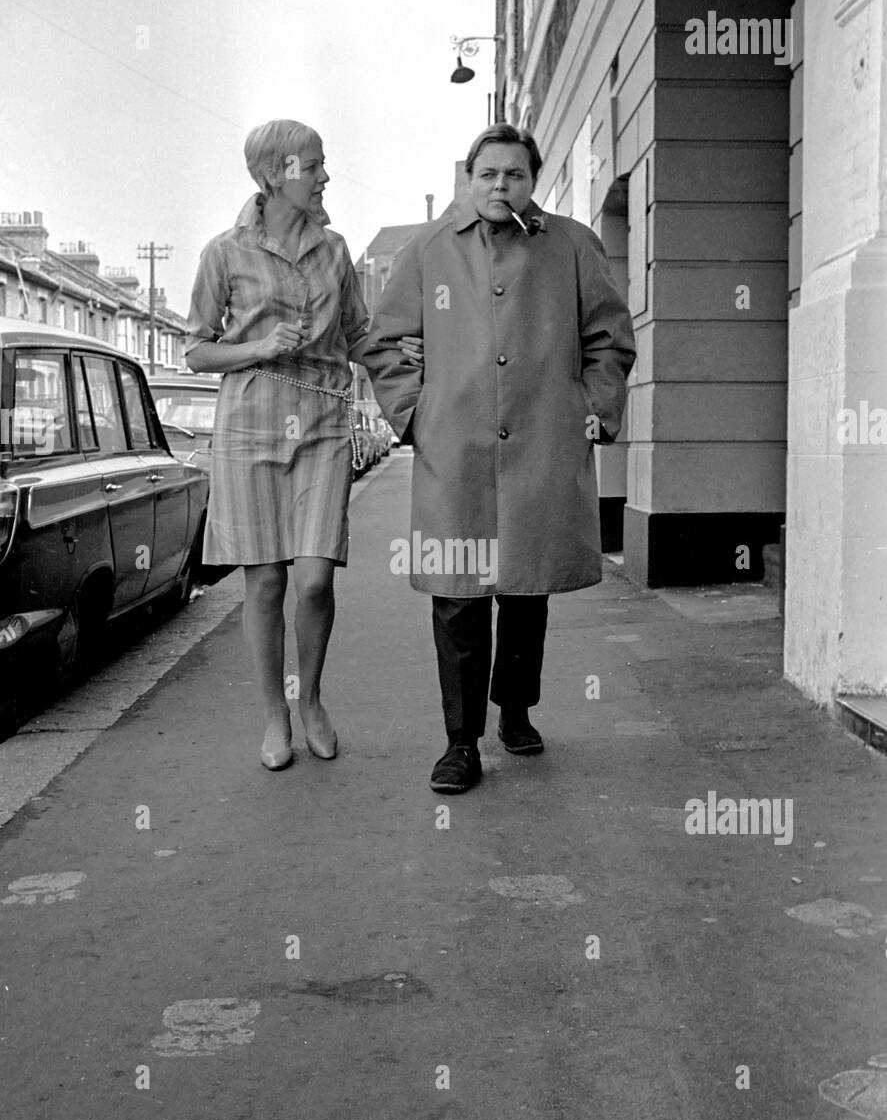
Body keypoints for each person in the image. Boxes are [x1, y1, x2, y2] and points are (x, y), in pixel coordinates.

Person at [362, 123, 637, 794]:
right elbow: (386, 344)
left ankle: (514, 709)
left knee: (523, 587)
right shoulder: (426, 250)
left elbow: (610, 338)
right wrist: (415, 415)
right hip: (454, 449)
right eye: (488, 174)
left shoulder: (571, 244)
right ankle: (460, 742)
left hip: (543, 439)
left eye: (514, 175)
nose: (500, 186)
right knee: (457, 596)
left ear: (531, 181)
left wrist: (592, 408)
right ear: (468, 177)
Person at [185, 119, 418, 770]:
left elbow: (361, 336)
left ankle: (310, 699)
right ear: (272, 177)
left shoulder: (335, 249)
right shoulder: (223, 254)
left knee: (313, 579)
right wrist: (257, 345)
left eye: (322, 164)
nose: (323, 176)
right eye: (311, 165)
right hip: (251, 419)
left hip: (319, 416)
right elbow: (198, 347)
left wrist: (414, 392)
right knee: (263, 583)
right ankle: (274, 716)